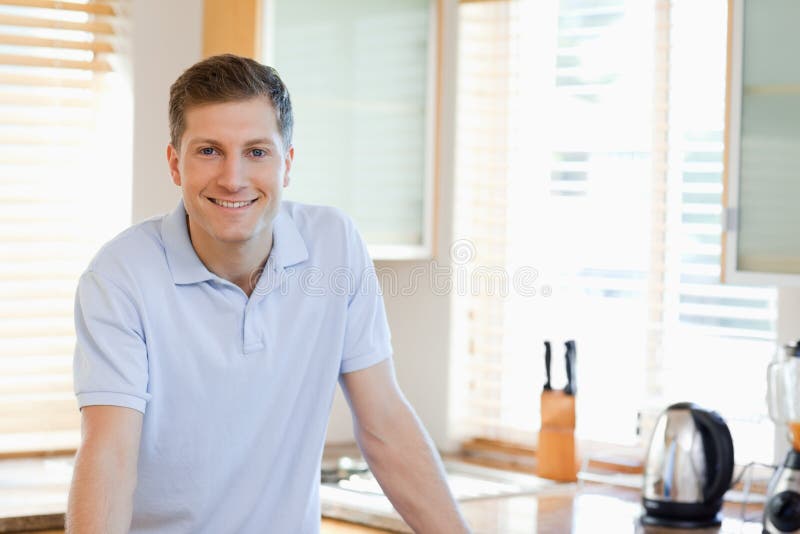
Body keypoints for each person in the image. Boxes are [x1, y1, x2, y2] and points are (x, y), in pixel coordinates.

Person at [66, 54, 470, 533]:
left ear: (288, 163)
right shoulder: (121, 276)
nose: (233, 178)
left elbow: (384, 422)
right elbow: (110, 453)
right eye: (209, 150)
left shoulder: (334, 244)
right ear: (175, 164)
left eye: (256, 151)